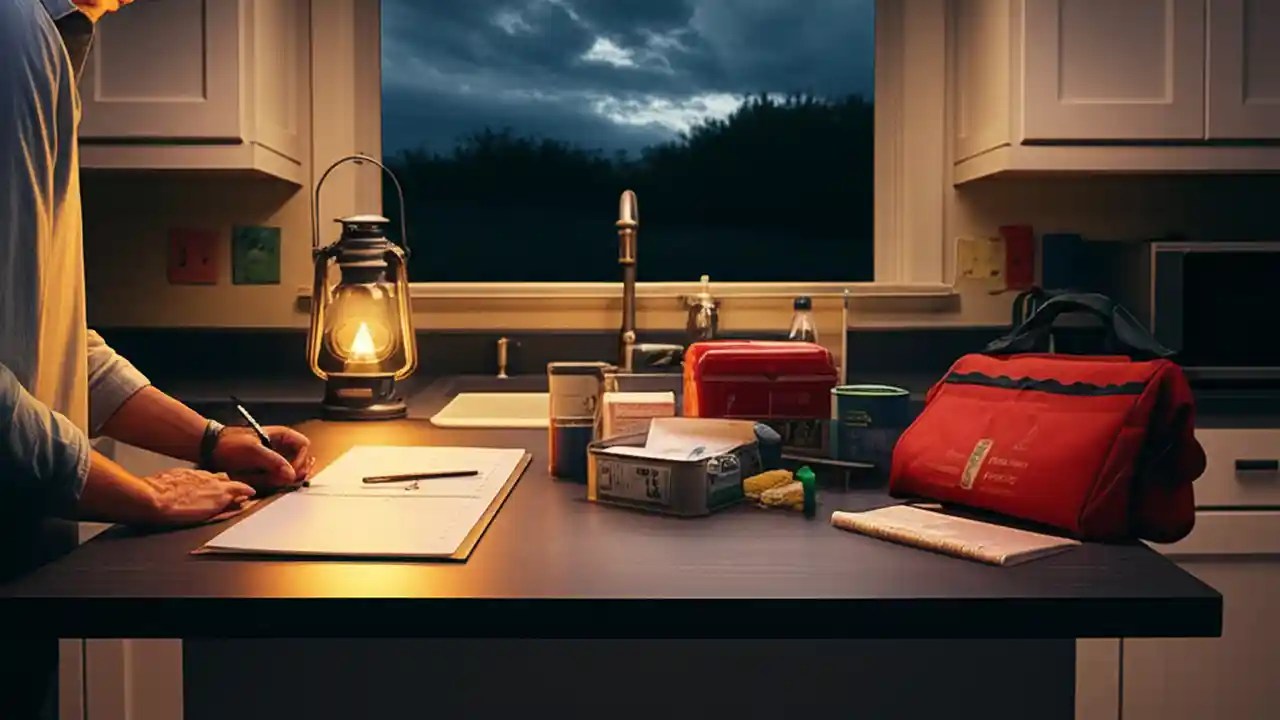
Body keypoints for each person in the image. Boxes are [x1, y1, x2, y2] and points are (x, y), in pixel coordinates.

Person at [1, 1, 314, 715]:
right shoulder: (11, 37)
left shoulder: (45, 40)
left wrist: (212, 440)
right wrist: (134, 492)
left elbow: (51, 334)